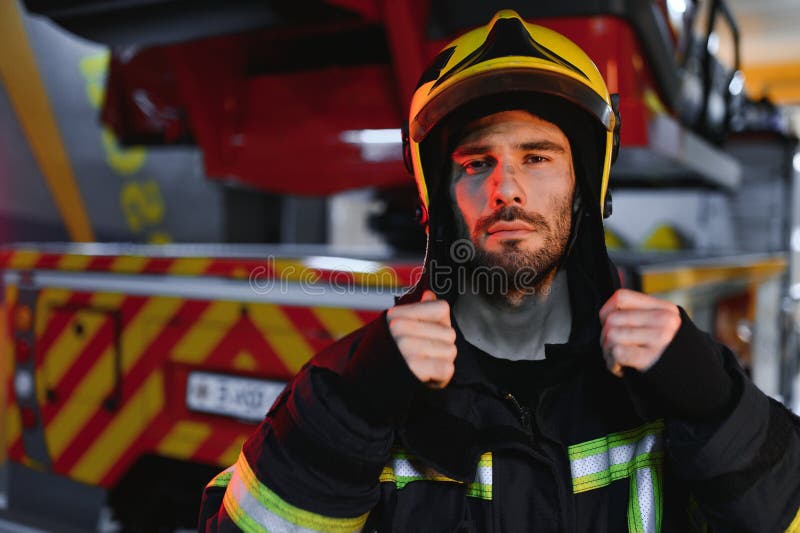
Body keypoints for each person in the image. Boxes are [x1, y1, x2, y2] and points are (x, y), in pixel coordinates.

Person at [198, 10, 800, 532]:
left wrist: (719, 407)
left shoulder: (666, 388)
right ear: (439, 195)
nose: (505, 188)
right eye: (476, 162)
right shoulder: (354, 391)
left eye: (537, 158)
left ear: (585, 186)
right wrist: (349, 411)